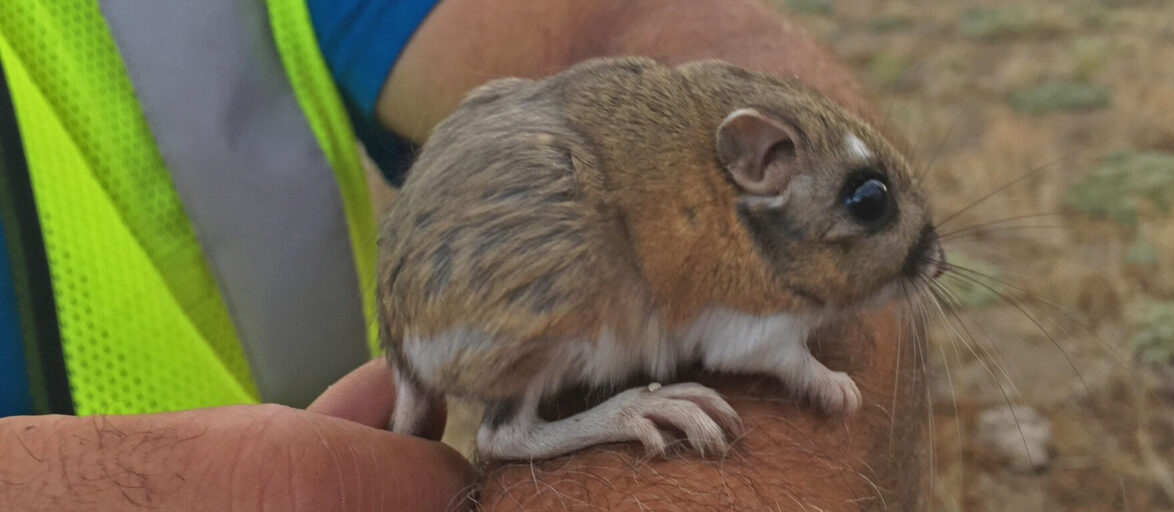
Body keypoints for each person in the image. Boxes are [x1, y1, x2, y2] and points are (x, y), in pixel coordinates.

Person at [0, 0, 925, 510]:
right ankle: (520, 426)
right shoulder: (721, 249)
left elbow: (632, 19)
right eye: (868, 207)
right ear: (759, 167)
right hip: (449, 356)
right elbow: (739, 331)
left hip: (385, 385)